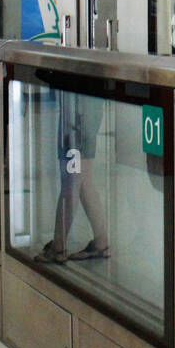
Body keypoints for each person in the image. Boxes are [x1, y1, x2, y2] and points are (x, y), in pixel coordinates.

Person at [35, 90, 110, 263]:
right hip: (84, 110)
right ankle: (101, 242)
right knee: (84, 180)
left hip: (77, 114)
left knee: (71, 180)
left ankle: (58, 247)